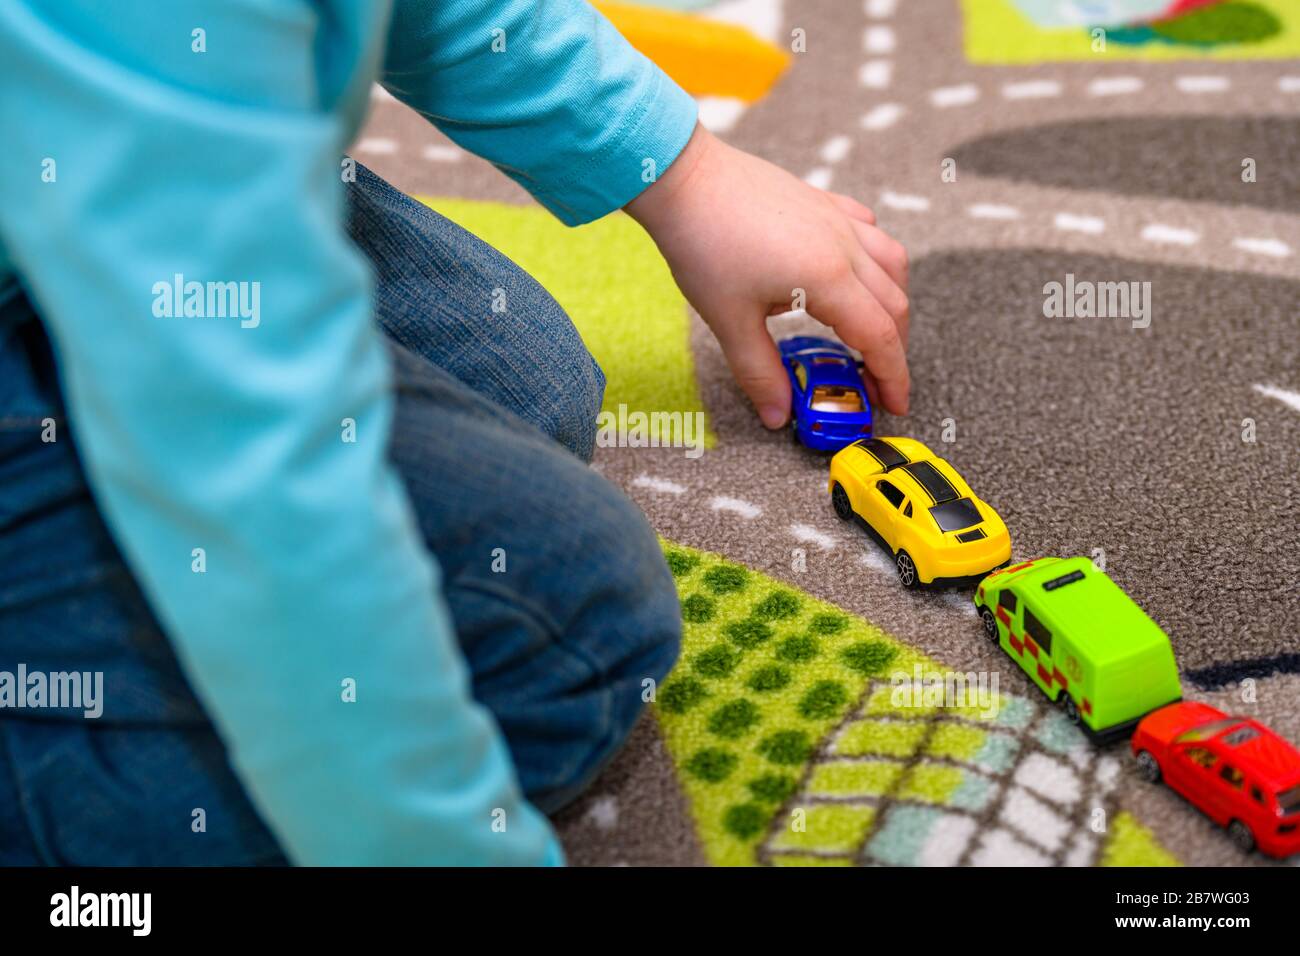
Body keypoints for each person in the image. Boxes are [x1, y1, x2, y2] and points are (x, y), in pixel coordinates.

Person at [0, 0, 909, 865]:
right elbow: (256, 455)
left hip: (130, 147)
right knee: (570, 637)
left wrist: (683, 174)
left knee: (526, 386)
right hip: (118, 165)